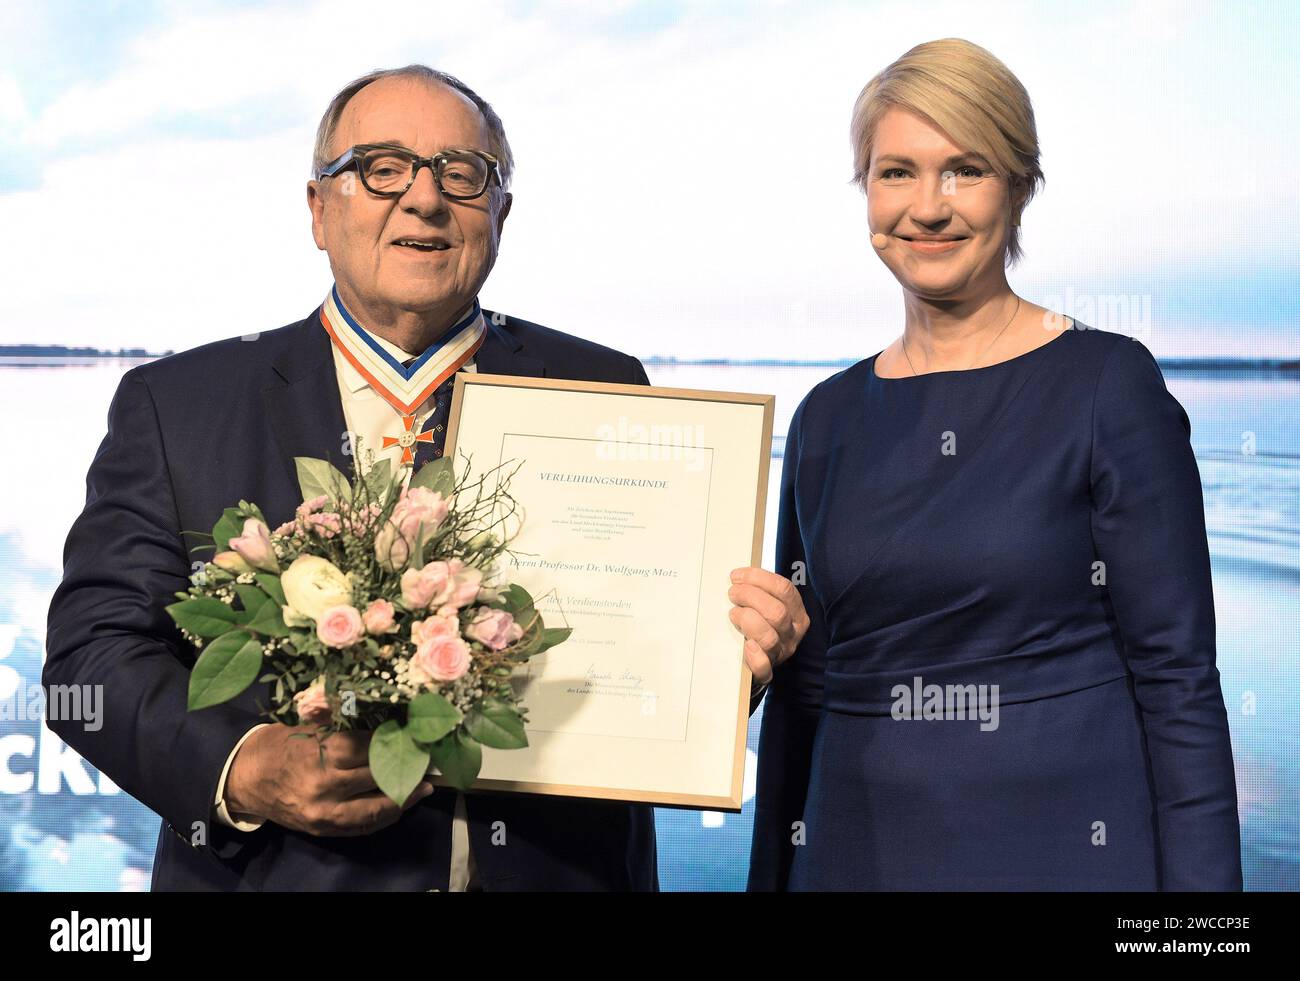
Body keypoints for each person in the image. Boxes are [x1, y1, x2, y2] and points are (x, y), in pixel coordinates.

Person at [44, 64, 807, 891]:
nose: (424, 198)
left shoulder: (602, 386)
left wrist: (723, 665)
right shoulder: (180, 405)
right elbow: (92, 656)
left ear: (500, 213)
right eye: (382, 167)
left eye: (461, 173)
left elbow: (646, 657)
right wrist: (248, 763)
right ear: (317, 209)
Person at [747, 38, 1242, 891]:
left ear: (1019, 186)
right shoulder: (824, 417)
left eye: (964, 169)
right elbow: (807, 692)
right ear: (864, 187)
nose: (927, 207)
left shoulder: (1106, 384)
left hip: (1064, 850)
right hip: (850, 849)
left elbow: (1180, 683)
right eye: (896, 171)